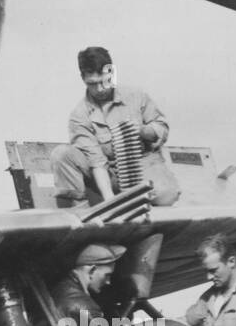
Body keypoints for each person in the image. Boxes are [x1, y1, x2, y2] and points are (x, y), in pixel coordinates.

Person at [51, 47, 178, 210]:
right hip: (106, 174)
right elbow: (97, 162)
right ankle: (81, 215)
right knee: (62, 154)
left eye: (103, 81)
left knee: (166, 194)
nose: (99, 89)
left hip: (143, 164)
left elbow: (162, 128)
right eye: (92, 84)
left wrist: (141, 130)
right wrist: (111, 202)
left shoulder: (137, 96)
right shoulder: (79, 115)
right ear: (83, 78)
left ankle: (138, 201)